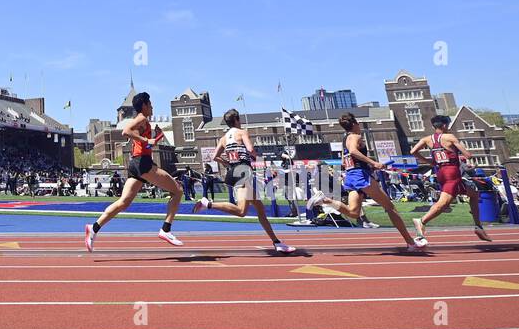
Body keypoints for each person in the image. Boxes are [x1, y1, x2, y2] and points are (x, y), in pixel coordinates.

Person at [84, 91, 183, 250]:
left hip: (136, 164)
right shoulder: (141, 118)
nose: (152, 107)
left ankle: (93, 228)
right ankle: (166, 229)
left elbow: (142, 142)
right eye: (150, 104)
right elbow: (126, 131)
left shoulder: (143, 122)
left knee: (123, 203)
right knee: (177, 191)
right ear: (144, 105)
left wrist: (152, 140)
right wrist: (147, 139)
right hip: (143, 164)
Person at [307, 113, 420, 251]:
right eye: (358, 124)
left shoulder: (345, 140)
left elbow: (344, 161)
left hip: (351, 175)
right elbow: (353, 151)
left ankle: (325, 200)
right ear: (355, 124)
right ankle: (410, 243)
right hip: (359, 176)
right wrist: (373, 162)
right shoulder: (355, 137)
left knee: (353, 212)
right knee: (390, 207)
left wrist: (368, 166)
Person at [192, 109, 295, 255]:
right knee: (241, 211)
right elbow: (251, 149)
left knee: (260, 209)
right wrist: (257, 159)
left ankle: (277, 242)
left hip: (235, 172)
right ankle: (207, 204)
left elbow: (214, 156)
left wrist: (228, 163)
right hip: (243, 172)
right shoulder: (242, 133)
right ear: (237, 120)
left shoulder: (223, 139)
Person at [408, 114, 491, 245]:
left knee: (474, 194)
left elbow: (413, 151)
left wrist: (429, 162)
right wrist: (464, 154)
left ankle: (478, 226)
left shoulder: (426, 139)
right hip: (452, 172)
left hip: (441, 172)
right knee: (443, 203)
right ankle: (422, 221)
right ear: (445, 125)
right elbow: (468, 155)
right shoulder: (450, 137)